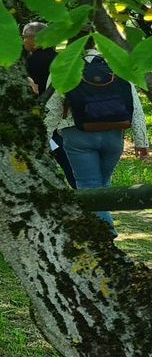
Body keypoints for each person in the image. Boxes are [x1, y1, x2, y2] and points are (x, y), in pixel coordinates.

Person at [44, 46, 149, 231]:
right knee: (103, 184)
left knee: (88, 185)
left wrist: (43, 138)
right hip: (114, 135)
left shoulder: (64, 67)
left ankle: (104, 231)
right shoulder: (116, 66)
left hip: (77, 135)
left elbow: (52, 108)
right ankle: (101, 230)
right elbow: (136, 107)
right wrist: (141, 142)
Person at [22, 21, 75, 184]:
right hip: (65, 120)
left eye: (24, 37)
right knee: (66, 161)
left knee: (56, 154)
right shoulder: (60, 59)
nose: (23, 41)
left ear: (34, 39)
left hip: (44, 120)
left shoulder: (31, 63)